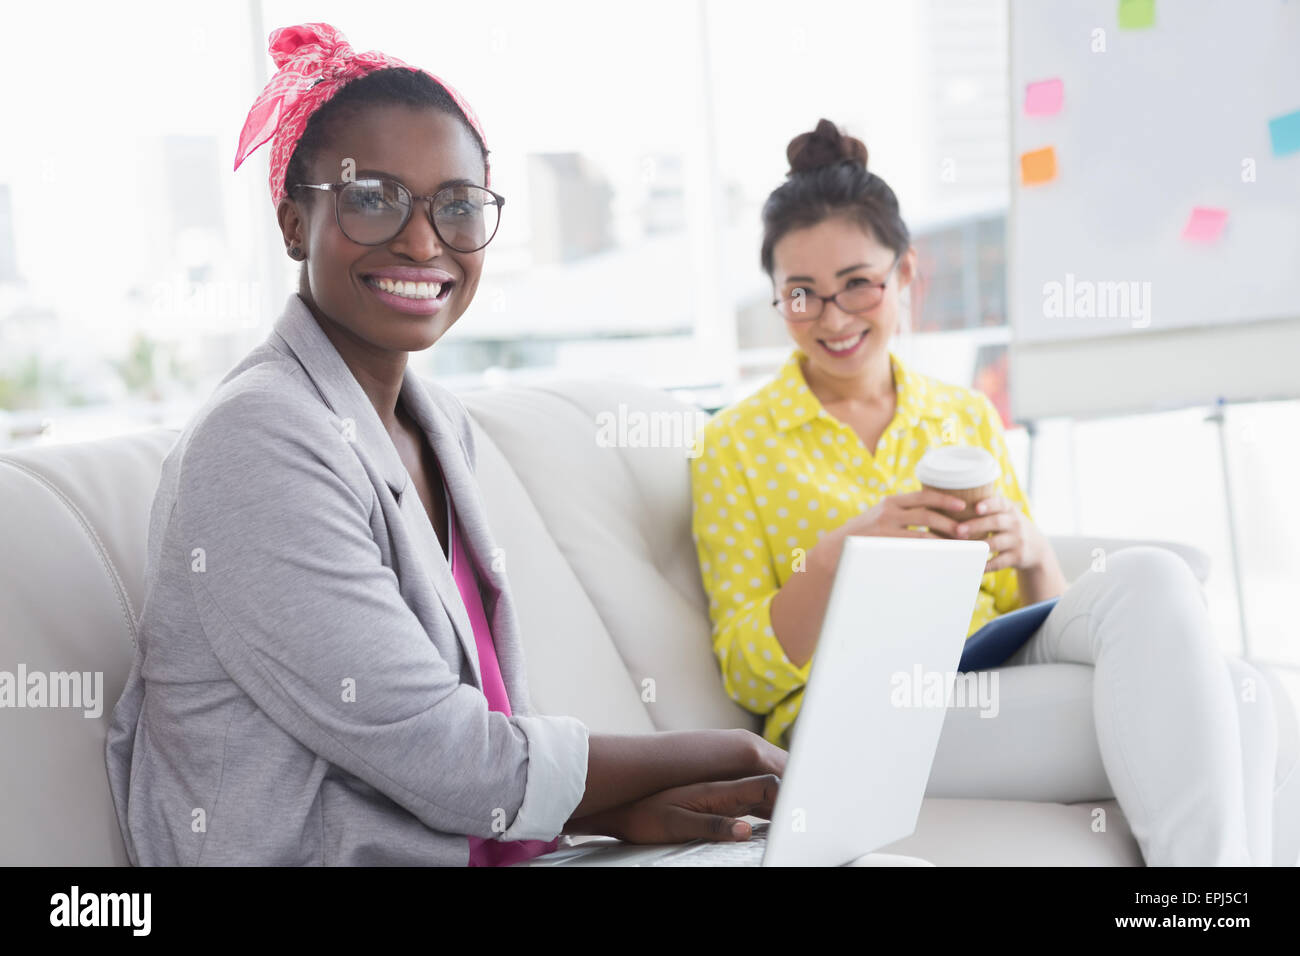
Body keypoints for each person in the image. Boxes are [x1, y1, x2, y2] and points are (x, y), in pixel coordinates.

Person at [104, 22, 783, 867]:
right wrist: (734, 751)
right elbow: (448, 753)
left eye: (456, 205)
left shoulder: (436, 424)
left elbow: (481, 743)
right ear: (292, 222)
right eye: (372, 197)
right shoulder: (259, 438)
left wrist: (607, 815)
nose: (423, 242)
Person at [689, 118, 1299, 866]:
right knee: (1235, 699)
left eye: (859, 284)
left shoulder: (963, 415)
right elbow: (745, 668)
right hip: (858, 713)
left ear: (907, 274)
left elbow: (1033, 610)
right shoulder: (735, 444)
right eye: (802, 296)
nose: (835, 317)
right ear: (778, 298)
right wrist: (841, 554)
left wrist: (1032, 551)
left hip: (989, 669)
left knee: (1169, 595)